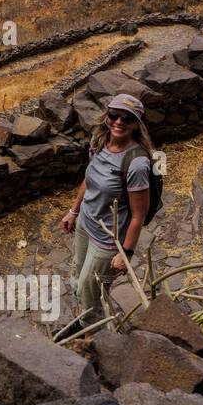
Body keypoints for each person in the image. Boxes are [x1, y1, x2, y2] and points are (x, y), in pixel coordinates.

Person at [59, 92, 154, 328]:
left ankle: (93, 336)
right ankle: (82, 319)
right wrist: (73, 211)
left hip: (107, 239)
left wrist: (126, 253)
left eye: (127, 118)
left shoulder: (136, 164)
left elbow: (138, 215)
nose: (119, 122)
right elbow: (89, 178)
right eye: (114, 115)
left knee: (91, 292)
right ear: (107, 116)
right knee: (77, 276)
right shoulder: (100, 141)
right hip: (86, 223)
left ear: (136, 124)